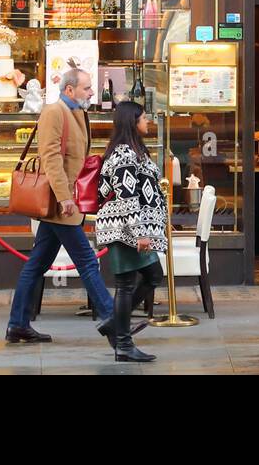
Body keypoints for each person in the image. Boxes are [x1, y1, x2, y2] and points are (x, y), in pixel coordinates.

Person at [6, 67, 121, 344]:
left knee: (36, 265)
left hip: (70, 203)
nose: (92, 92)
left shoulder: (79, 113)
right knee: (87, 261)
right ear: (69, 90)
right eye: (86, 88)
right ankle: (114, 323)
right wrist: (65, 197)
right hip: (62, 205)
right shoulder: (54, 113)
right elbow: (51, 158)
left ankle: (17, 324)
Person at [96, 100, 168, 362]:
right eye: (144, 118)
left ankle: (114, 326)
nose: (147, 121)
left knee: (152, 276)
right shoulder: (124, 155)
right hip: (123, 229)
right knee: (127, 285)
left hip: (130, 229)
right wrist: (140, 233)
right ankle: (123, 344)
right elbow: (126, 198)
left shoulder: (134, 150)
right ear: (132, 122)